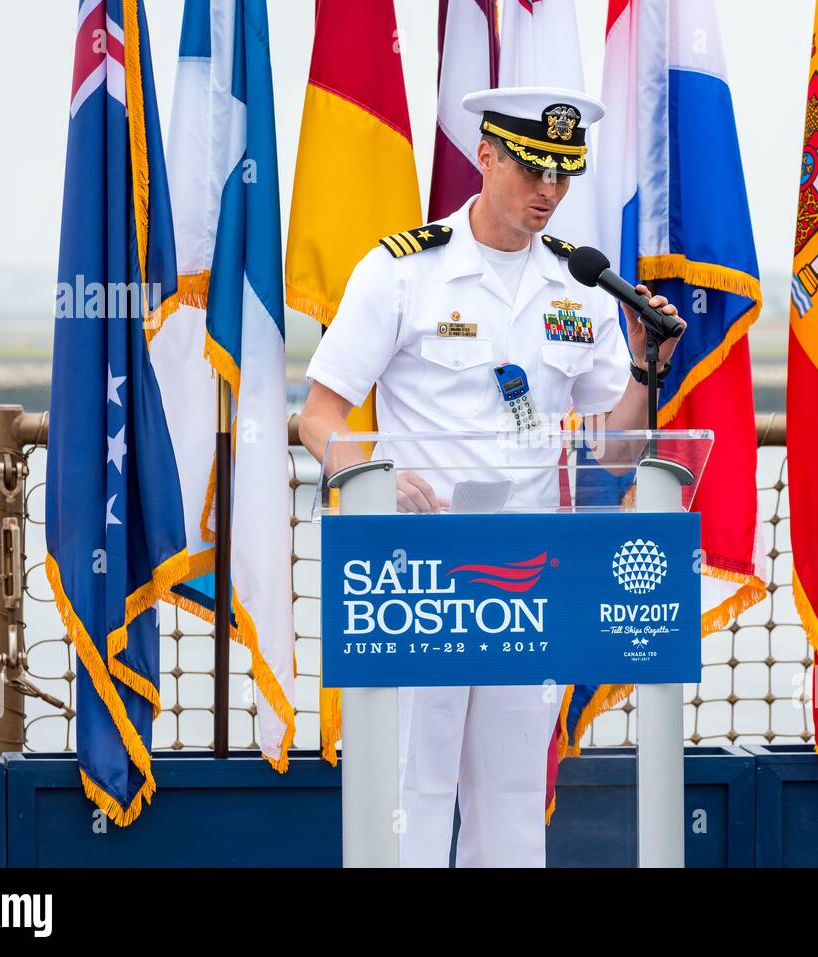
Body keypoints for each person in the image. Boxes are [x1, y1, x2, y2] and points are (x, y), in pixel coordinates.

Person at [298, 86, 685, 867]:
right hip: (419, 573)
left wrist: (649, 367)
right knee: (414, 789)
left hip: (530, 572)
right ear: (485, 156)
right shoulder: (404, 270)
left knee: (512, 800)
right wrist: (373, 475)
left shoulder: (579, 284)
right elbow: (319, 415)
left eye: (564, 175)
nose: (549, 192)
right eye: (533, 170)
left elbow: (611, 449)